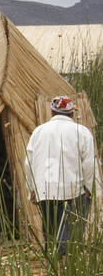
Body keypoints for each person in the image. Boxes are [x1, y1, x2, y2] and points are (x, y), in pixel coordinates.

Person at [25, 95, 97, 257]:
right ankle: (67, 263)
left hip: (46, 188)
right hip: (74, 190)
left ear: (52, 112)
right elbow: (89, 164)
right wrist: (90, 187)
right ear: (72, 113)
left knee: (51, 231)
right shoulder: (81, 132)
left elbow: (28, 163)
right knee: (71, 232)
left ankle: (54, 265)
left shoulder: (39, 132)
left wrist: (32, 188)